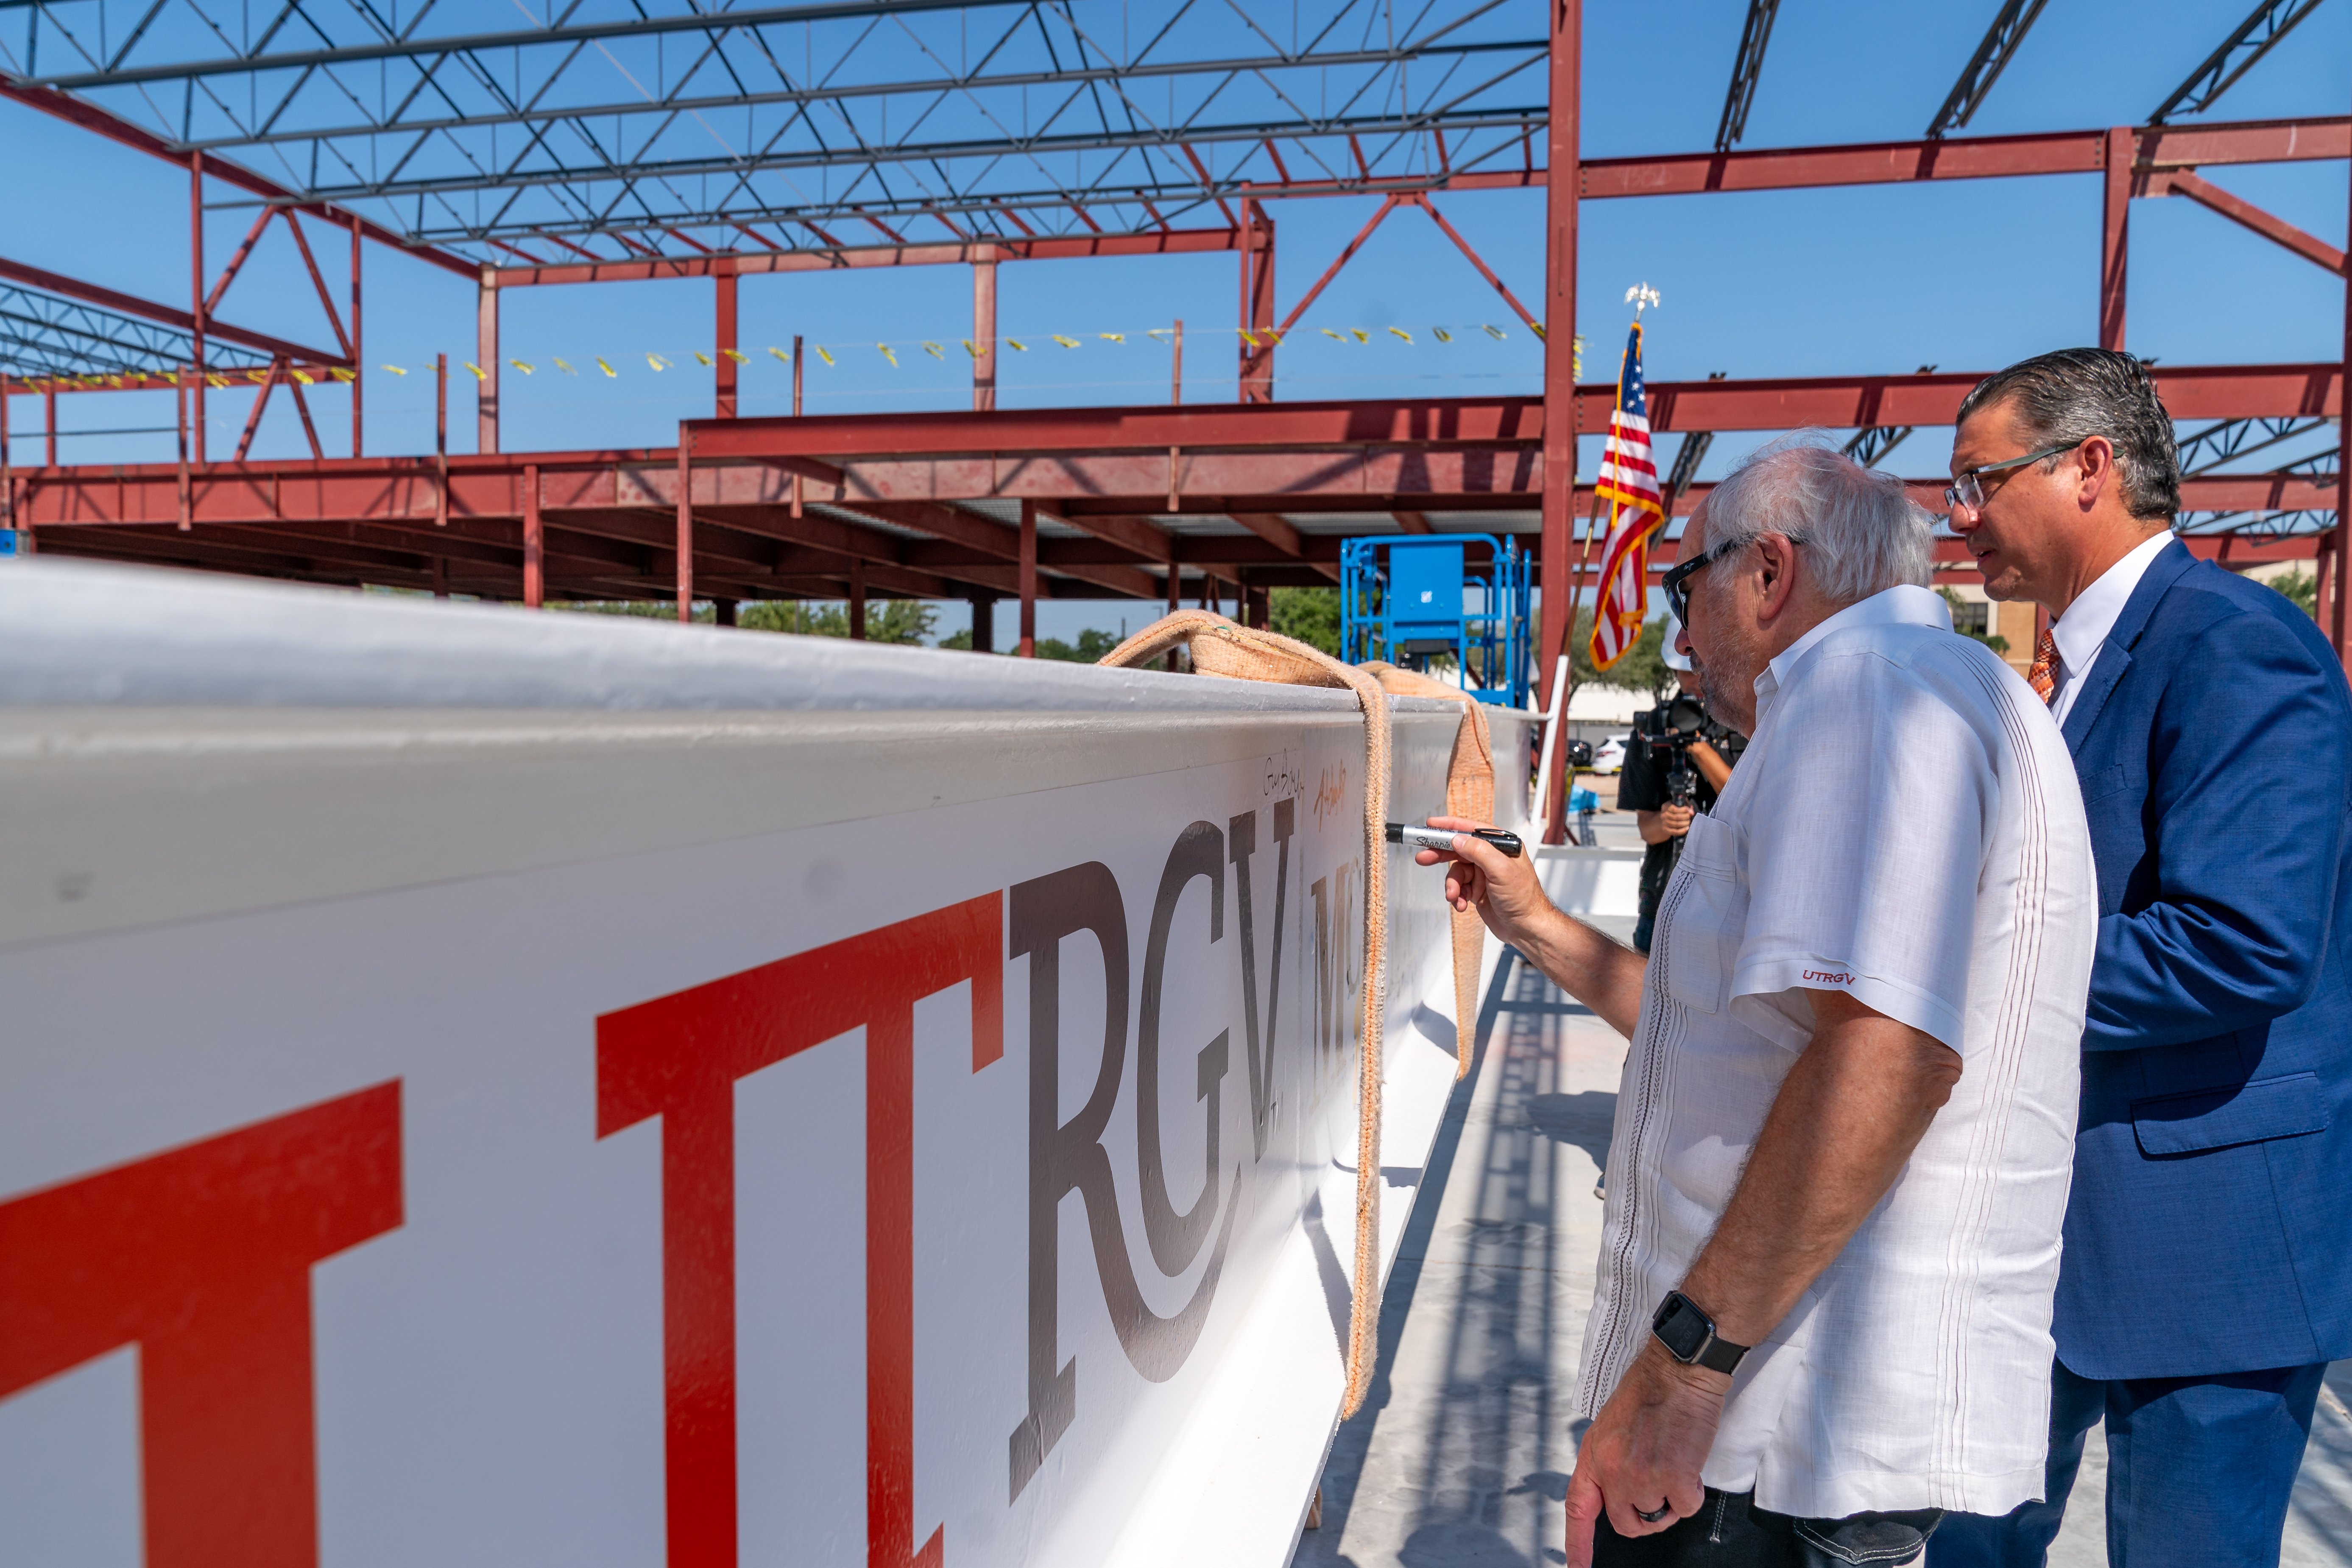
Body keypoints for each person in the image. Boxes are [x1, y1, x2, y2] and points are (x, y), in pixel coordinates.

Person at [1416, 442, 2097, 1568]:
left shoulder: (1867, 699)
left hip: (1769, 1426)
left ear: (1769, 571)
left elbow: (1882, 1058)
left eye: (1686, 587)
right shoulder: (1930, 689)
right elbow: (1738, 1033)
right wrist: (1532, 920)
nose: (1678, 632)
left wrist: (1680, 1378)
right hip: (1787, 1410)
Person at [1925, 349, 2352, 1568]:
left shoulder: (2230, 645)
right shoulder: (2084, 664)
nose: (1959, 522)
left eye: (1976, 482)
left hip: (2209, 1244)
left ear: (2087, 470)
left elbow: (2241, 945)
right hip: (2048, 1232)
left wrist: (1957, 970)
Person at [1615, 620, 1743, 952]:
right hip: (1663, 900)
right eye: (1684, 670)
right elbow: (1647, 828)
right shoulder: (1652, 727)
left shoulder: (1746, 720)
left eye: (1700, 667)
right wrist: (1666, 822)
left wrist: (1699, 750)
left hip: (1733, 901)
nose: (1694, 678)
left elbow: (1749, 803)